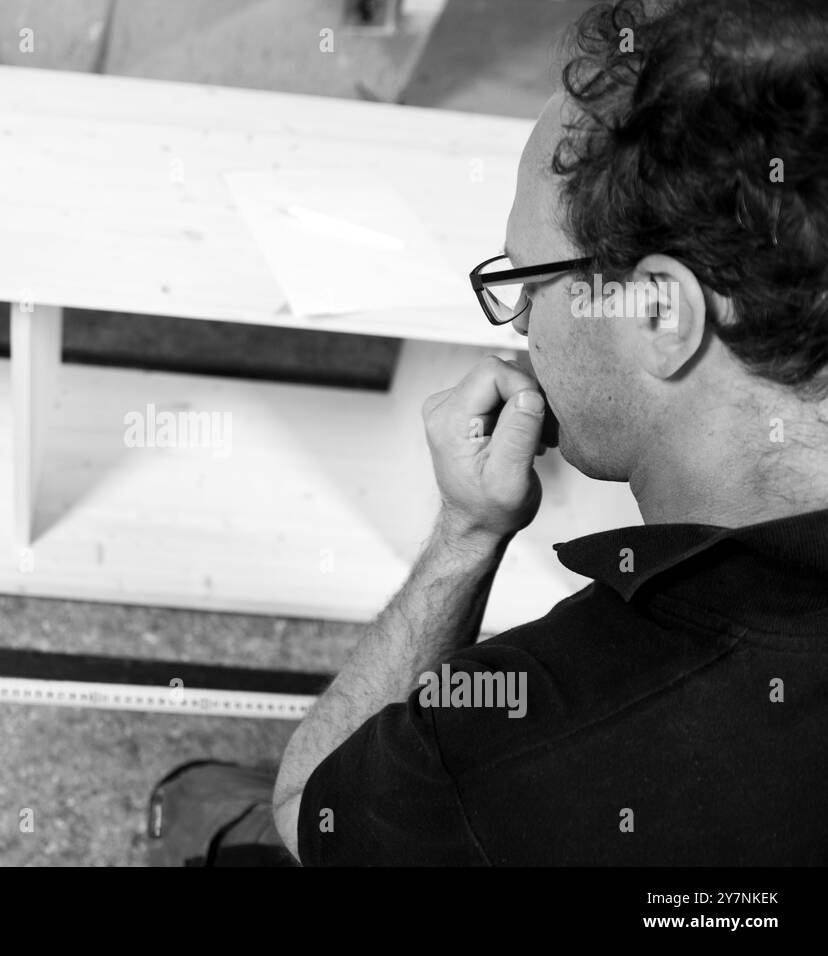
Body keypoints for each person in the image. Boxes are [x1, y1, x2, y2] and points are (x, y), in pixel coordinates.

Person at [273, 0, 828, 865]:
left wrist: (465, 533)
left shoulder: (510, 756)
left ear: (657, 311)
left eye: (533, 280)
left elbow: (313, 812)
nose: (521, 323)